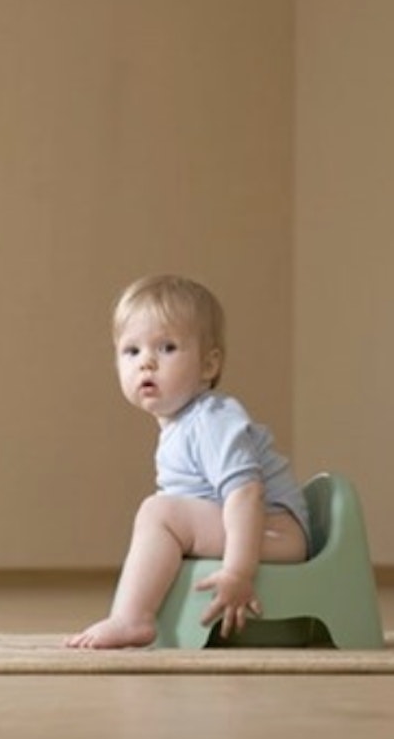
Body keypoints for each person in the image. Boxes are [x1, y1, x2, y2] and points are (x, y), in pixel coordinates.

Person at [66, 275, 309, 649]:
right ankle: (143, 614)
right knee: (163, 514)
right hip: (253, 527)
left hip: (275, 532)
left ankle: (132, 619)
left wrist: (238, 571)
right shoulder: (180, 426)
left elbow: (246, 494)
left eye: (166, 348)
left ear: (209, 365)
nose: (146, 362)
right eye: (131, 351)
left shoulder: (212, 419)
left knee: (159, 513)